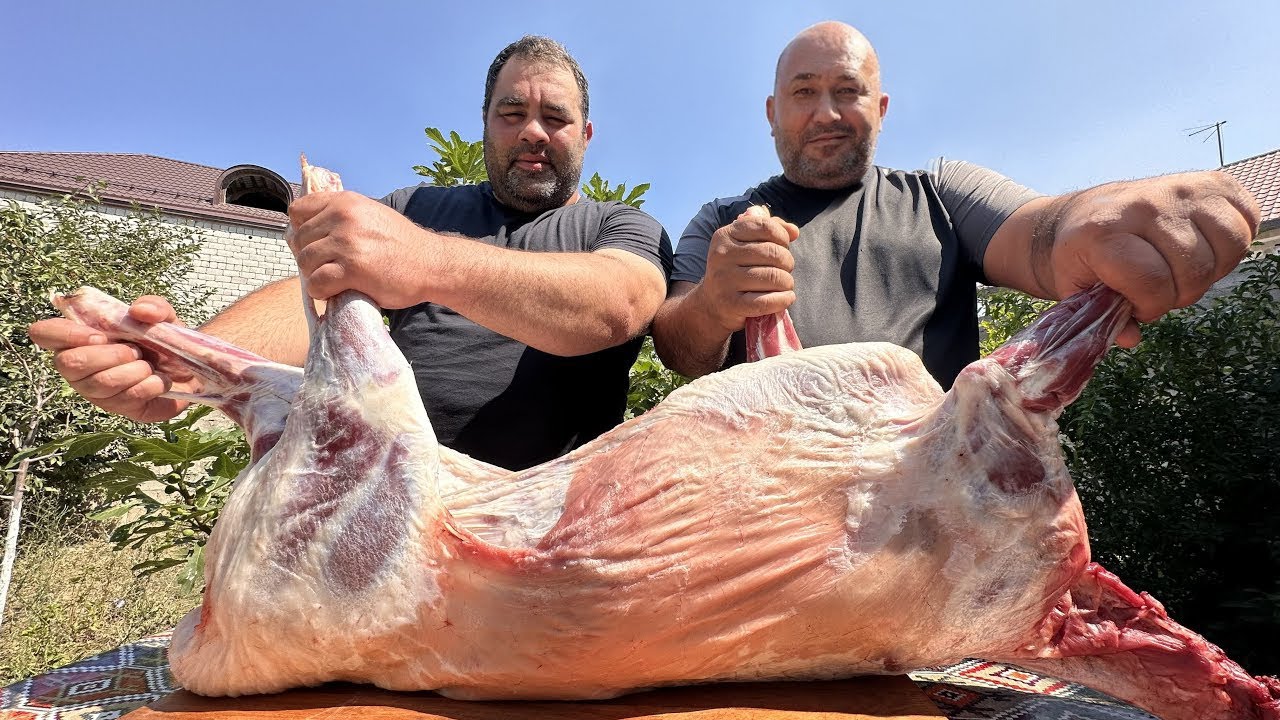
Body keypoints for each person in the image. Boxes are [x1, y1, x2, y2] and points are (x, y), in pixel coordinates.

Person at [30, 36, 673, 471]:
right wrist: (190, 363)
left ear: (585, 134)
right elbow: (317, 293)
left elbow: (617, 305)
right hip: (383, 504)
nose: (533, 131)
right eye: (512, 113)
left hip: (553, 523)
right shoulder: (416, 206)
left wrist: (425, 262)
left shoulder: (619, 224)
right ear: (485, 125)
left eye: (555, 117)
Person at [652, 21, 1260, 387]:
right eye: (804, 92)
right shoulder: (722, 221)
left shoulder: (941, 195)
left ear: (881, 110)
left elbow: (1044, 233)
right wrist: (712, 302)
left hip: (931, 503)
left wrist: (1099, 220)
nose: (827, 113)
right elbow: (678, 349)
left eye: (848, 91)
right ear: (772, 112)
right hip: (774, 511)